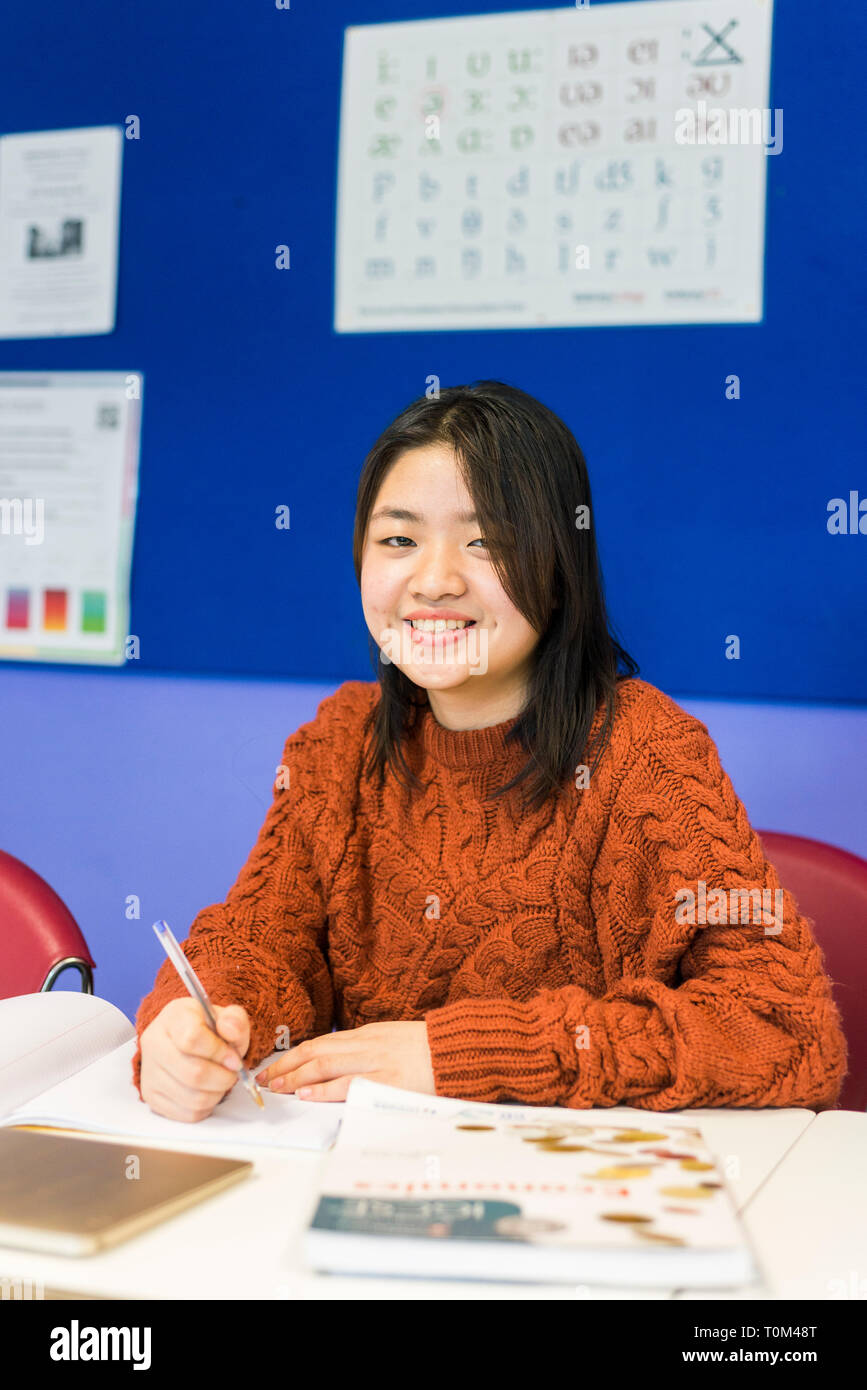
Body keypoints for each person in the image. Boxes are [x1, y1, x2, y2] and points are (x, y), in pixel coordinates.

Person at [132, 380, 848, 1121]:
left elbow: (785, 1034)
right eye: (398, 540)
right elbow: (261, 942)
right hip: (373, 1186)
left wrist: (457, 1056)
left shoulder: (646, 752)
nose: (434, 580)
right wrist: (195, 1022)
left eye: (486, 542)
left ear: (557, 565)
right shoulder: (338, 743)